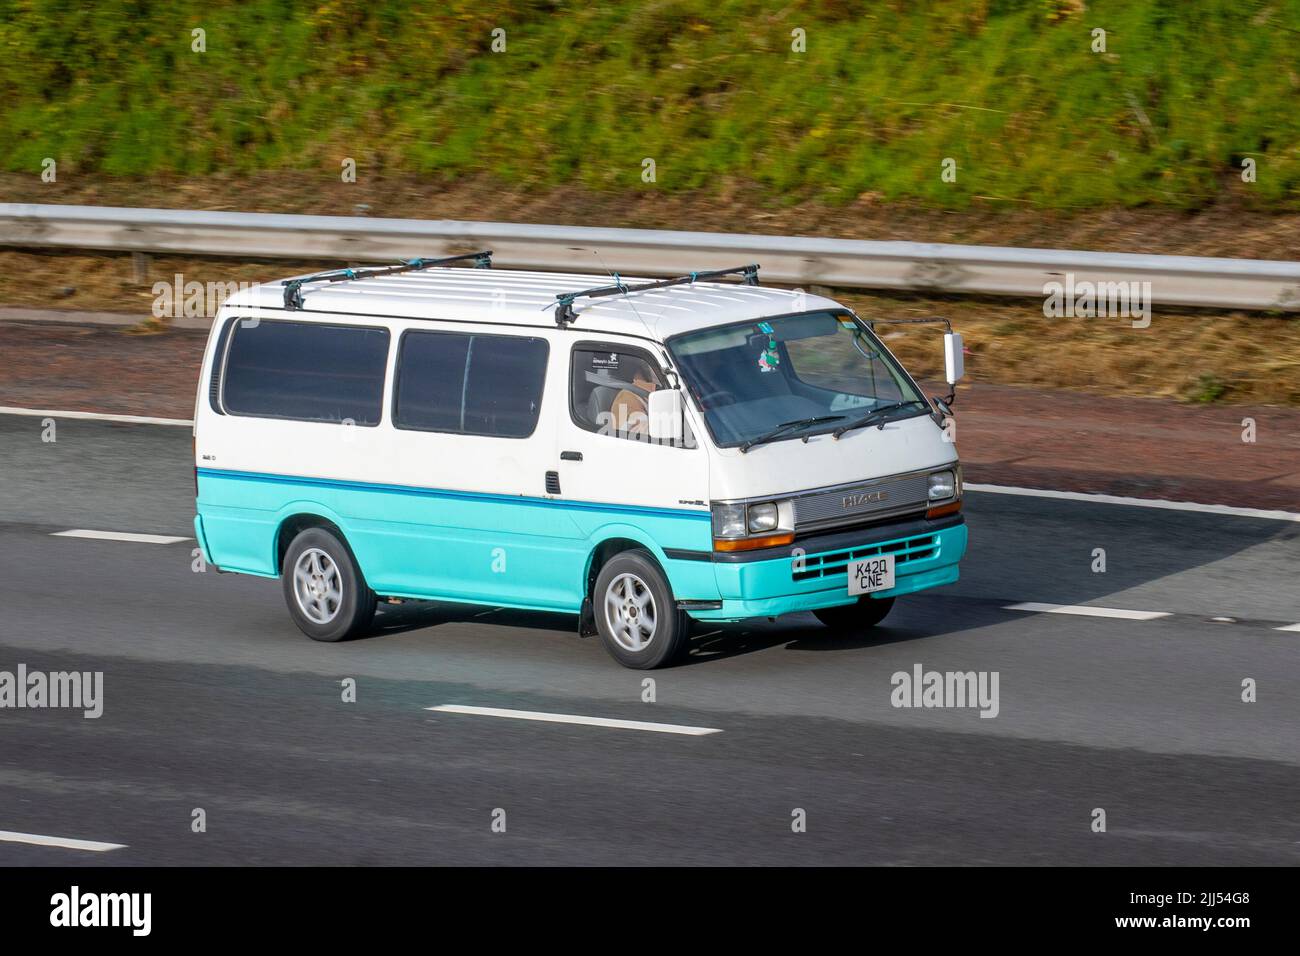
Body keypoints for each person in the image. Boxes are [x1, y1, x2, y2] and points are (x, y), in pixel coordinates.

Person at [609, 359, 659, 436]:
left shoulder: (656, 392)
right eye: (657, 365)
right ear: (646, 368)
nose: (662, 372)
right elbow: (636, 438)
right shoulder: (626, 398)